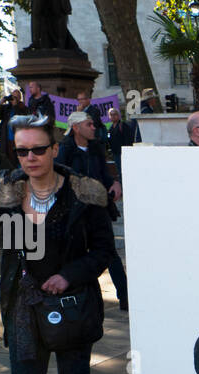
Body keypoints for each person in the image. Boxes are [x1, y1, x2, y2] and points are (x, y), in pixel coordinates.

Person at [0, 114, 115, 374]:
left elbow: (103, 251)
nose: (29, 157)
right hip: (24, 308)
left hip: (71, 306)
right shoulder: (7, 192)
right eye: (22, 151)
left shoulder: (85, 192)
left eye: (37, 149)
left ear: (54, 149)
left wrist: (69, 274)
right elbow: (7, 250)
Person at [58, 110, 127, 309]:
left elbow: (103, 174)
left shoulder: (96, 148)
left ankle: (124, 295)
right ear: (76, 127)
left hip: (99, 208)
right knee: (77, 254)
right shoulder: (65, 150)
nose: (93, 127)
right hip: (76, 212)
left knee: (109, 252)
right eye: (89, 124)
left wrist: (114, 183)